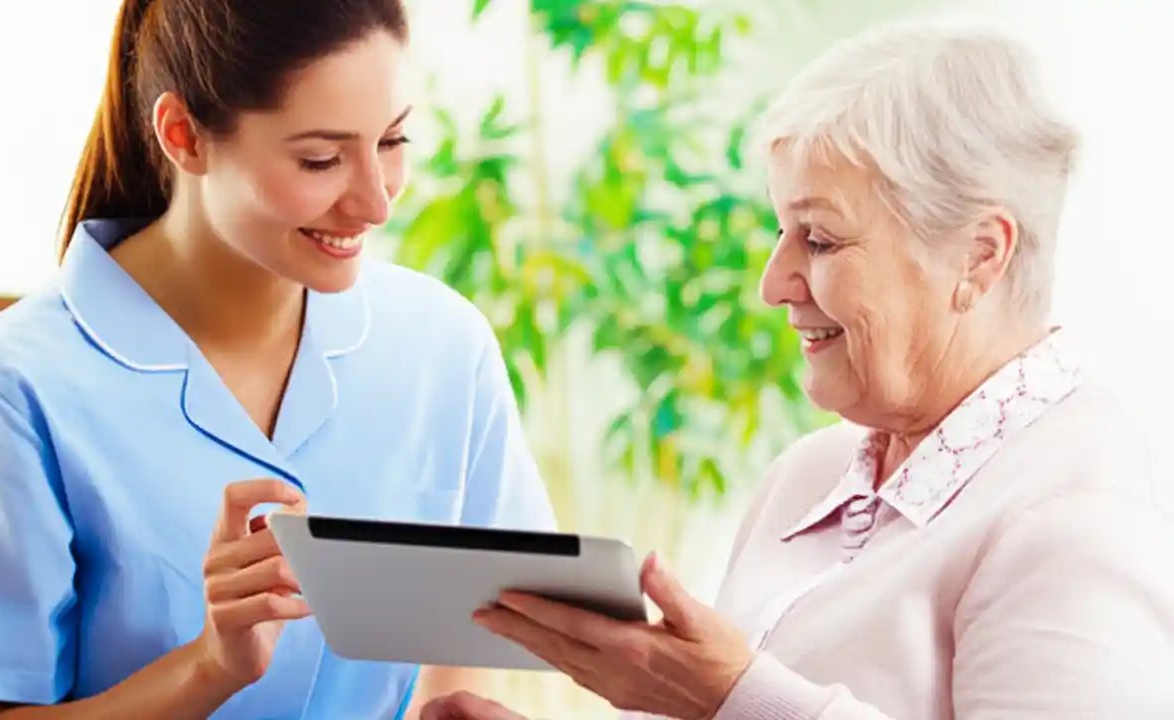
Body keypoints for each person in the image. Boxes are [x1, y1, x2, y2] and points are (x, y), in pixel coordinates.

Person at [423, 19, 1174, 720]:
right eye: (783, 231)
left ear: (980, 253)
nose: (772, 283)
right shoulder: (808, 476)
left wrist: (737, 697)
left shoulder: (1077, 512)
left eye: (818, 239)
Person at [0, 0, 555, 718]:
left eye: (393, 141)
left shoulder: (443, 346)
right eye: (321, 159)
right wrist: (210, 666)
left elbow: (470, 644)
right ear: (184, 136)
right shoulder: (7, 388)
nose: (376, 203)